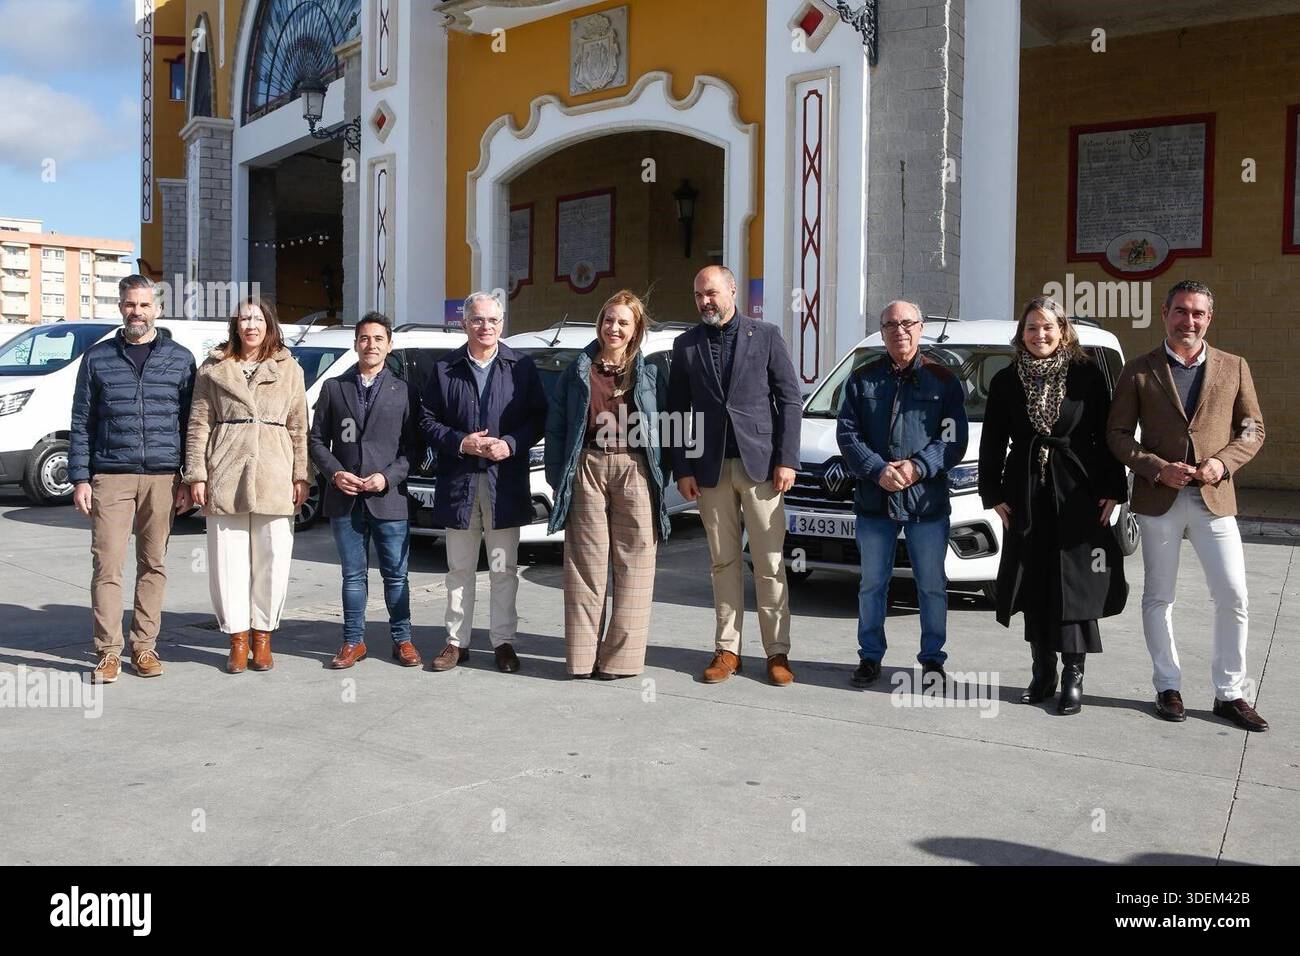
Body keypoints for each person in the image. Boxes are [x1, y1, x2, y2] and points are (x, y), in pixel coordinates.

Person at [1108, 280, 1268, 732]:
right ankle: (1168, 687)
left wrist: (1223, 462)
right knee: (1159, 596)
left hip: (1213, 499)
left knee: (1233, 595)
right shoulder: (1139, 370)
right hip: (1159, 500)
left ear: (1209, 318)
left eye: (1198, 313)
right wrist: (1156, 467)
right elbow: (1116, 435)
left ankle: (1230, 693)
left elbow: (1252, 429)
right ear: (1165, 313)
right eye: (1181, 311)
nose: (1189, 320)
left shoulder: (1234, 366)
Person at [978, 297, 1127, 714]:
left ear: (1062, 331)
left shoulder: (1086, 375)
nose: (1039, 335)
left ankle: (1073, 677)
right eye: (1031, 327)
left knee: (1074, 584)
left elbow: (1105, 436)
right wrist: (993, 494)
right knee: (1034, 580)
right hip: (1025, 492)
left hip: (1078, 492)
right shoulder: (1006, 380)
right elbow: (993, 441)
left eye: (1047, 327)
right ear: (1021, 334)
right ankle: (1042, 672)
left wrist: (1114, 489)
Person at [667, 265, 803, 686]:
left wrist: (787, 459)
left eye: (711, 292)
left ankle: (777, 651)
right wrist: (682, 468)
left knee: (769, 562)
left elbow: (789, 399)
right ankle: (727, 650)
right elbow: (676, 411)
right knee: (722, 562)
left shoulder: (766, 336)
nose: (704, 301)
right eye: (698, 295)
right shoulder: (686, 345)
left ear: (732, 290)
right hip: (709, 470)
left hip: (761, 468)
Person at [69, 275, 195, 682]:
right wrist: (80, 478)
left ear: (157, 308)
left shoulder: (180, 359)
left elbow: (191, 425)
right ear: (120, 306)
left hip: (163, 477)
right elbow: (82, 422)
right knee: (107, 564)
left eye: (143, 305)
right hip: (111, 476)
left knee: (153, 564)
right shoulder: (98, 358)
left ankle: (144, 647)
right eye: (129, 304)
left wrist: (189, 478)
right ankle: (108, 652)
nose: (136, 312)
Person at [837, 301, 968, 689]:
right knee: (872, 584)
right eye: (891, 325)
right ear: (881, 332)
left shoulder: (943, 380)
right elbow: (848, 434)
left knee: (932, 585)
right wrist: (877, 469)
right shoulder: (862, 380)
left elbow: (953, 438)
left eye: (907, 323)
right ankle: (869, 657)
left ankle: (932, 660)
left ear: (921, 328)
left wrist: (917, 467)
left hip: (926, 503)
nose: (900, 331)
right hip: (874, 502)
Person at [545, 290, 671, 679]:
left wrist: (660, 474)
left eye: (622, 322)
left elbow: (666, 425)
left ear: (636, 330)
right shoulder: (577, 370)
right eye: (608, 320)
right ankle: (582, 660)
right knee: (586, 565)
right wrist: (558, 477)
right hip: (588, 465)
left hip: (634, 467)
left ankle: (620, 661)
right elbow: (557, 426)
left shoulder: (649, 373)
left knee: (636, 564)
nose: (613, 328)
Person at [420, 292, 546, 674]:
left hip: (502, 486)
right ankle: (456, 642)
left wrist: (511, 444)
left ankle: (503, 641)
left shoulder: (521, 367)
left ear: (502, 324)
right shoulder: (445, 368)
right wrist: (461, 442)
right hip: (460, 486)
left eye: (492, 320)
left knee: (503, 568)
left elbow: (539, 418)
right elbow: (426, 420)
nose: (485, 327)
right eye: (477, 319)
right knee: (459, 569)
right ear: (464, 324)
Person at [184, 297, 310, 673]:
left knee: (273, 558)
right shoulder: (213, 367)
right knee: (227, 559)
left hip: (275, 470)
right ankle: (237, 638)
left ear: (269, 324)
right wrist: (197, 473)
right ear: (235, 325)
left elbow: (299, 425)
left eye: (257, 319)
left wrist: (301, 474)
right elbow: (198, 423)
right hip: (226, 469)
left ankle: (263, 637)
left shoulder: (289, 368)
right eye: (244, 319)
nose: (250, 325)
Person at [309, 311, 422, 669]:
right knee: (353, 575)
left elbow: (414, 449)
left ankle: (403, 640)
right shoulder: (334, 388)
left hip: (389, 499)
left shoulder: (405, 391)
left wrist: (387, 478)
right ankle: (353, 641)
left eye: (378, 339)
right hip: (345, 498)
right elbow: (315, 440)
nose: (370, 345)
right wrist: (335, 473)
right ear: (355, 343)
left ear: (389, 345)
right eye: (364, 338)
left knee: (396, 575)